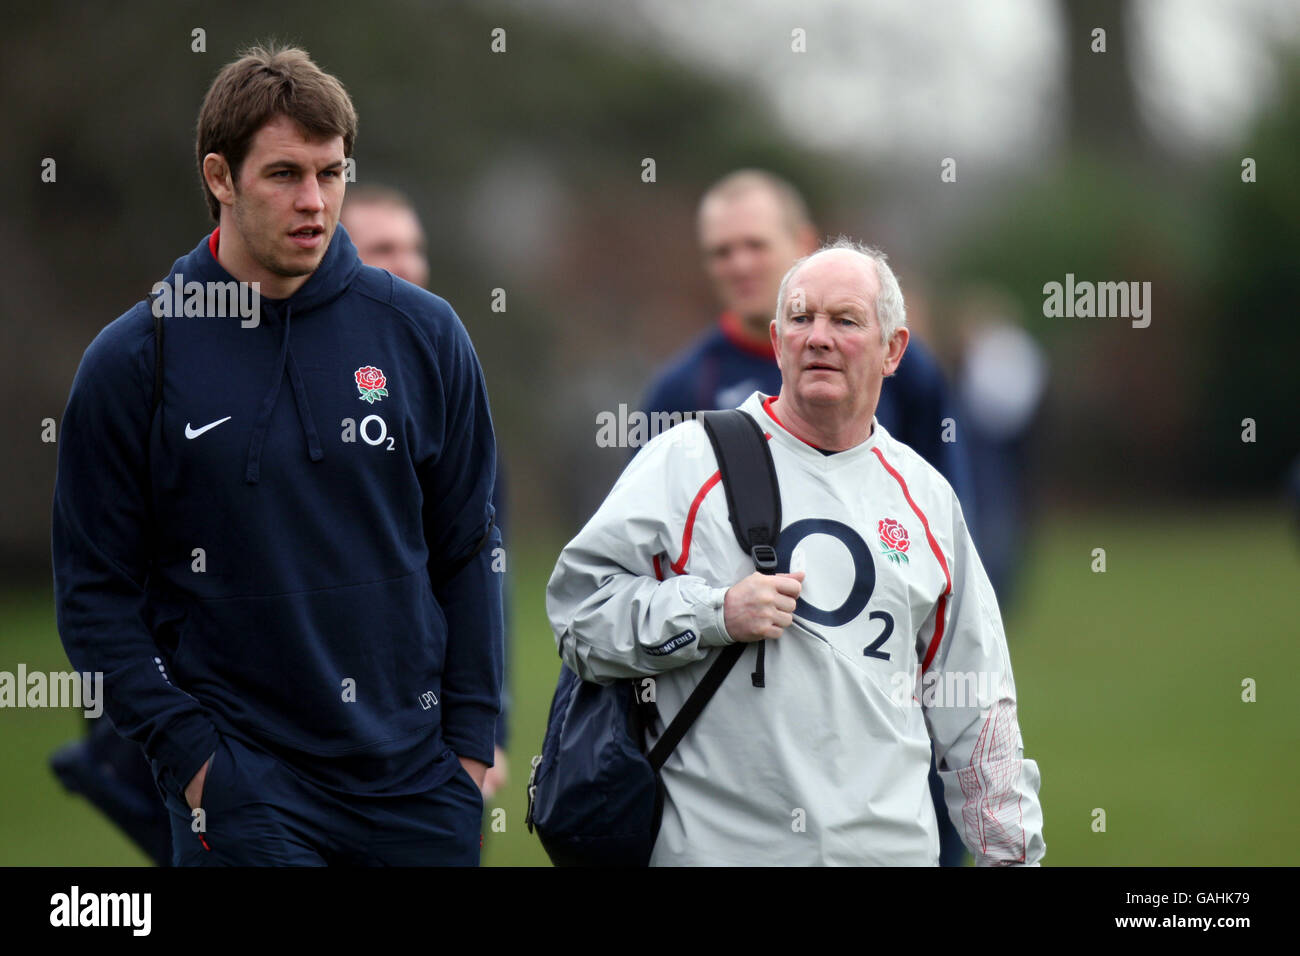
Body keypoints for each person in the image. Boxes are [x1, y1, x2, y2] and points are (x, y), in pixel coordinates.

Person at [51, 44, 502, 866]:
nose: (314, 202)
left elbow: (470, 549)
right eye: (284, 175)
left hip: (418, 790)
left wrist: (469, 749)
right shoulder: (135, 359)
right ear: (219, 177)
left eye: (331, 175)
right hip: (248, 791)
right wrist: (195, 762)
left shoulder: (425, 334)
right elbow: (93, 596)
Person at [548, 239, 1044, 865]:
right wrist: (713, 614)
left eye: (845, 320)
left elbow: (977, 703)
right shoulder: (685, 462)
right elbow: (578, 616)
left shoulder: (926, 497)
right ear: (777, 340)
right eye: (803, 319)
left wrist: (1011, 856)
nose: (819, 337)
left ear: (893, 349)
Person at [639, 168, 976, 865]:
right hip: (740, 698)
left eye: (753, 245)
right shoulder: (682, 387)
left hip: (887, 664)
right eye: (719, 251)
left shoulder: (902, 368)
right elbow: (637, 558)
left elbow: (945, 511)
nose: (736, 264)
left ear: (801, 241)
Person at [340, 185, 510, 800]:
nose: (408, 265)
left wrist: (486, 732)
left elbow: (484, 569)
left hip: (432, 738)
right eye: (385, 248)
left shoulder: (444, 368)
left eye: (415, 248)